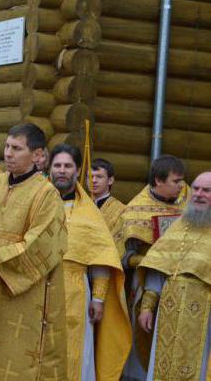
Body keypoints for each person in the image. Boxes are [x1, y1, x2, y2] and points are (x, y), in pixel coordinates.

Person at [0, 123, 68, 380]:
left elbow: (40, 245)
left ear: (38, 155)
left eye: (17, 148)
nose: (8, 153)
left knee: (16, 363)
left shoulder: (46, 194)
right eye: (7, 146)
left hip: (24, 296)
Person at [49, 144, 130, 381]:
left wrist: (98, 298)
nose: (62, 170)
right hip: (36, 287)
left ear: (76, 171)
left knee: (74, 352)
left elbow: (100, 257)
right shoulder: (37, 200)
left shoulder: (89, 212)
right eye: (57, 165)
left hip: (75, 289)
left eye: (67, 166)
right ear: (49, 167)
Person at [118, 155, 188, 379]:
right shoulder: (134, 211)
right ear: (159, 180)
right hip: (145, 286)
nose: (181, 187)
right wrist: (149, 260)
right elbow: (122, 256)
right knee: (145, 339)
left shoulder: (188, 207)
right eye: (176, 182)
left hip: (182, 289)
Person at [138, 171, 211, 381]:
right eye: (196, 188)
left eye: (206, 190)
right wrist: (147, 307)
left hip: (202, 314)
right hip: (168, 312)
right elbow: (158, 269)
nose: (198, 194)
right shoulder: (178, 225)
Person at [91, 158, 126, 232]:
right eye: (90, 177)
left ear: (110, 180)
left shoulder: (121, 210)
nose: (93, 181)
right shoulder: (81, 206)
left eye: (99, 177)